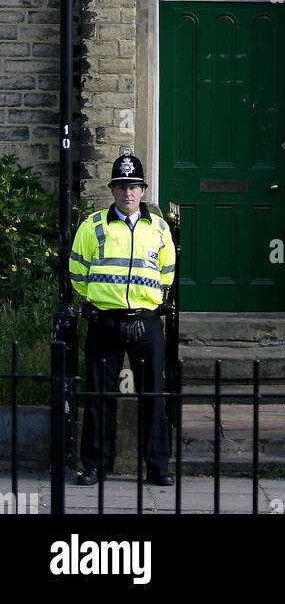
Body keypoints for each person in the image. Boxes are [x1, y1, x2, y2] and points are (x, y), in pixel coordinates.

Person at [70, 151, 176, 487]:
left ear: (143, 189)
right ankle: (94, 466)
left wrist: (146, 305)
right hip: (105, 322)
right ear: (112, 190)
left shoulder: (158, 228)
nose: (127, 193)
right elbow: (77, 271)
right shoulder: (94, 226)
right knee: (99, 396)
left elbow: (167, 273)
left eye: (133, 186)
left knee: (153, 397)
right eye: (121, 186)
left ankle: (157, 466)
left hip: (146, 323)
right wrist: (102, 301)